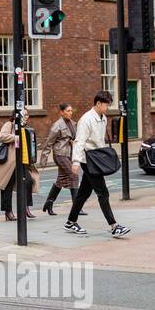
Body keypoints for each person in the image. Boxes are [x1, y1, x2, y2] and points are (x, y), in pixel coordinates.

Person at [64, 90, 131, 238]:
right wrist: (75, 162)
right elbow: (79, 141)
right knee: (103, 192)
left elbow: (100, 140)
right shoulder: (86, 120)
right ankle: (114, 226)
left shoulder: (103, 118)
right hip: (88, 160)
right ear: (98, 103)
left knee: (84, 192)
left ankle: (70, 221)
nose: (108, 108)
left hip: (96, 158)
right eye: (106, 105)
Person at [0, 110, 39, 221]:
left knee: (29, 181)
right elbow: (2, 137)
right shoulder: (9, 125)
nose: (27, 117)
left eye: (27, 115)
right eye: (24, 115)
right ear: (17, 115)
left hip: (22, 161)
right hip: (10, 162)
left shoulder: (27, 127)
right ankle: (8, 212)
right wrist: (17, 137)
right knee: (7, 186)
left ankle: (25, 208)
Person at [41, 103, 82, 218]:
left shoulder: (73, 124)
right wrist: (43, 160)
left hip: (69, 154)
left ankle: (49, 203)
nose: (70, 113)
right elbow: (48, 143)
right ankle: (77, 208)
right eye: (68, 111)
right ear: (62, 112)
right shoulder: (57, 126)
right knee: (74, 175)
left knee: (61, 180)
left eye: (71, 111)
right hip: (60, 154)